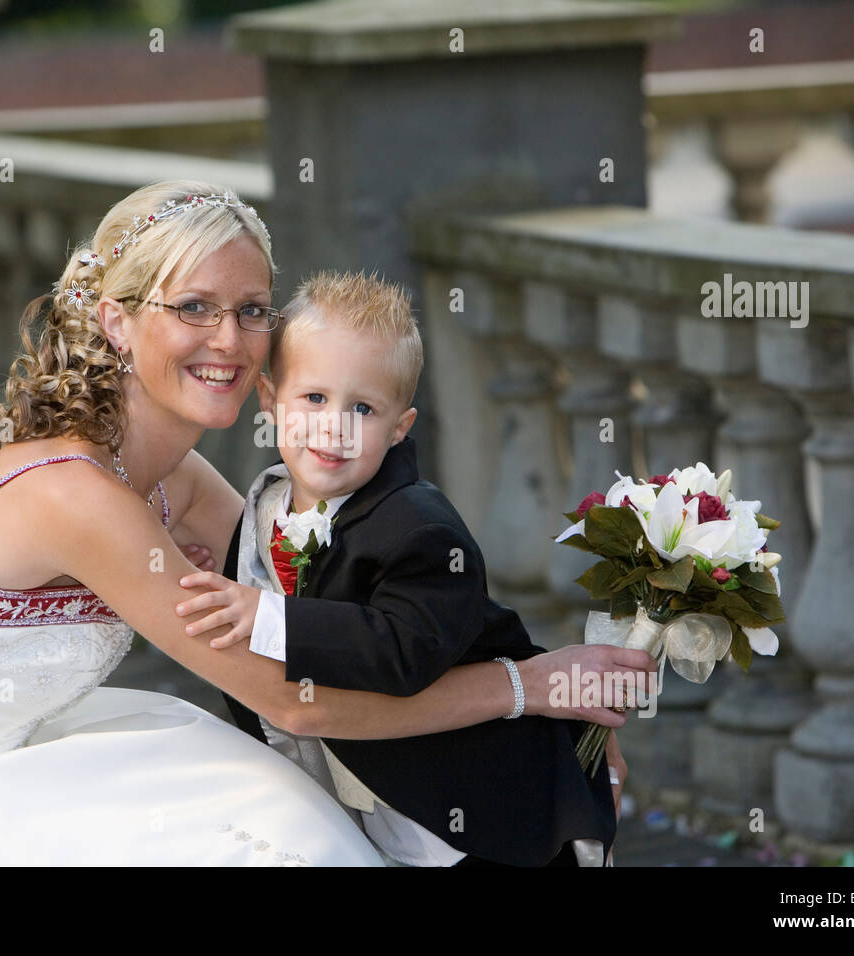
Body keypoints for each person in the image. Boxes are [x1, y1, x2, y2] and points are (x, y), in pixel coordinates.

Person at [0, 180, 652, 866]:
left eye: (253, 308)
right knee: (269, 836)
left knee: (264, 803)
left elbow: (344, 604)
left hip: (12, 755)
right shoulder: (73, 493)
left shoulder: (168, 476)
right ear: (114, 320)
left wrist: (547, 690)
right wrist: (521, 688)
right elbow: (297, 701)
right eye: (194, 306)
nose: (231, 340)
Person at [175, 270, 625, 866]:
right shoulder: (267, 501)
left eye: (362, 407)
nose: (333, 426)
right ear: (269, 400)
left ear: (399, 428)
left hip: (468, 811)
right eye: (313, 398)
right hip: (362, 802)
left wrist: (272, 616)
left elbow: (401, 652)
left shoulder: (421, 528)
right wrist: (226, 574)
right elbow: (267, 587)